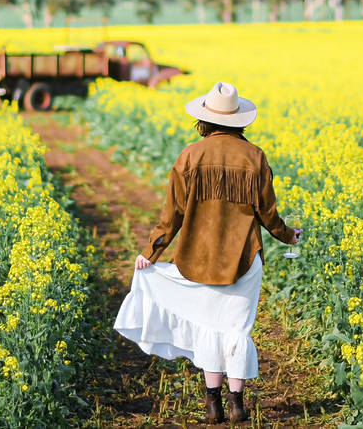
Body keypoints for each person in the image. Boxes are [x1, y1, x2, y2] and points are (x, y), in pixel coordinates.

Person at [113, 81, 302, 424]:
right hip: (244, 260)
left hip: (198, 261)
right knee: (237, 330)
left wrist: (150, 253)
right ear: (239, 120)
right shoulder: (254, 156)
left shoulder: (190, 155)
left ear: (205, 121)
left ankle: (213, 404)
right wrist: (288, 236)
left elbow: (172, 216)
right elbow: (267, 213)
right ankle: (238, 403)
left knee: (211, 327)